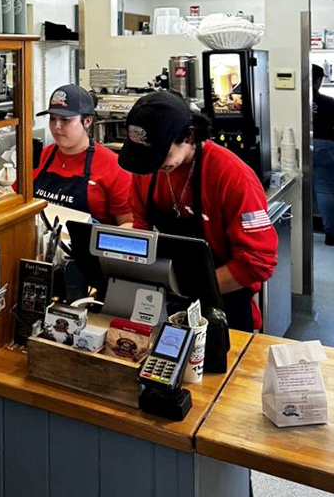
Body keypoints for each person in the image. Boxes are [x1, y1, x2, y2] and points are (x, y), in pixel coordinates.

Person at [118, 90, 277, 332]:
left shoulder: (232, 177)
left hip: (224, 306)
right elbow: (141, 223)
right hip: (164, 297)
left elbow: (258, 263)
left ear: (190, 135)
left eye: (161, 154)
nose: (154, 164)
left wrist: (185, 288)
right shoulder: (151, 170)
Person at [33, 84, 132, 224]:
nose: (56, 126)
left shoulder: (113, 166)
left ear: (87, 121)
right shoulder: (44, 155)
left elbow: (129, 224)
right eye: (52, 119)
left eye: (65, 120)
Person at [312, 64, 334, 245]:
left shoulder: (296, 101)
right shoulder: (329, 103)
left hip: (308, 146)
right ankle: (331, 232)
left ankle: (329, 232)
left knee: (322, 189)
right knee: (326, 188)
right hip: (326, 146)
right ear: (318, 81)